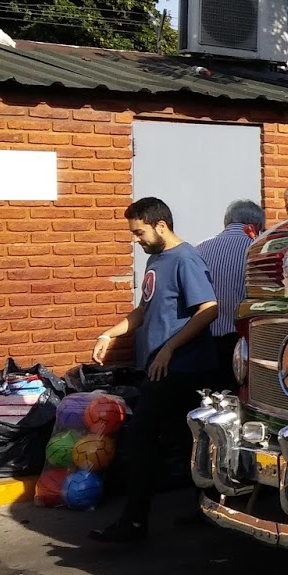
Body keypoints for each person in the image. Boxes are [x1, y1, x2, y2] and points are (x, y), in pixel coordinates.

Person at [88, 197, 219, 544]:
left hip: (183, 368)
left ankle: (134, 523)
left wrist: (170, 348)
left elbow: (208, 309)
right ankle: (208, 507)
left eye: (139, 232)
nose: (136, 239)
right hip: (163, 367)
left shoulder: (185, 258)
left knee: (141, 437)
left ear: (161, 226)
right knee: (185, 439)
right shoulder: (157, 261)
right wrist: (109, 334)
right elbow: (144, 312)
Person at [197, 199, 264, 391]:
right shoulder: (257, 249)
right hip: (242, 344)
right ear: (256, 226)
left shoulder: (200, 248)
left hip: (205, 340)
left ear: (227, 222)